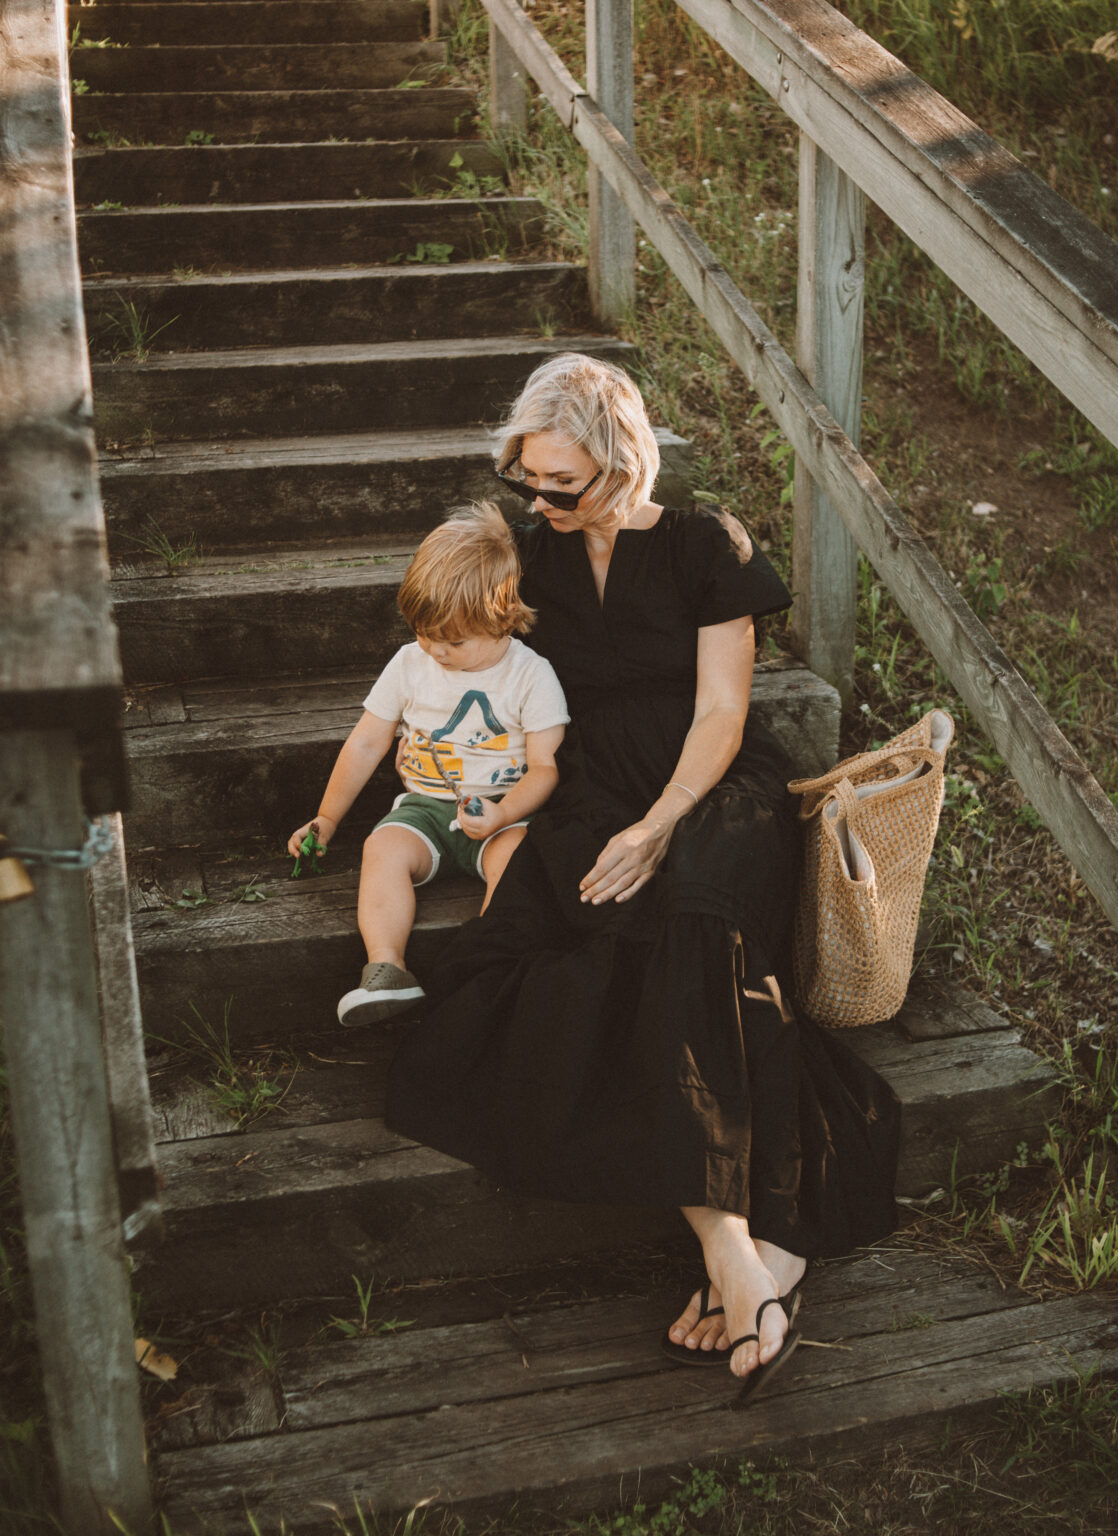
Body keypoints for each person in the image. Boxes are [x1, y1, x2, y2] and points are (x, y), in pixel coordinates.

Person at [384, 355, 899, 1401]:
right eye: (528, 480)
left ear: (621, 463)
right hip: (587, 795)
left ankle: (742, 1256)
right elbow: (444, 639)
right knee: (579, 965)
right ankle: (742, 1253)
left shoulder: (706, 544)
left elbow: (719, 714)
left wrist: (661, 826)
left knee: (694, 932)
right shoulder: (528, 547)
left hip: (706, 790)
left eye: (559, 483)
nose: (539, 500)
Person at [288, 502, 569, 1029]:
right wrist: (326, 820)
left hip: (505, 814)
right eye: (424, 633)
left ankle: (484, 974)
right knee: (383, 847)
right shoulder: (409, 664)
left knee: (518, 867)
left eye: (454, 641)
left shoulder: (532, 676)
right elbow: (367, 743)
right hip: (423, 809)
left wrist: (504, 816)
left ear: (503, 617)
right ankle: (387, 969)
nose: (435, 650)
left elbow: (545, 769)